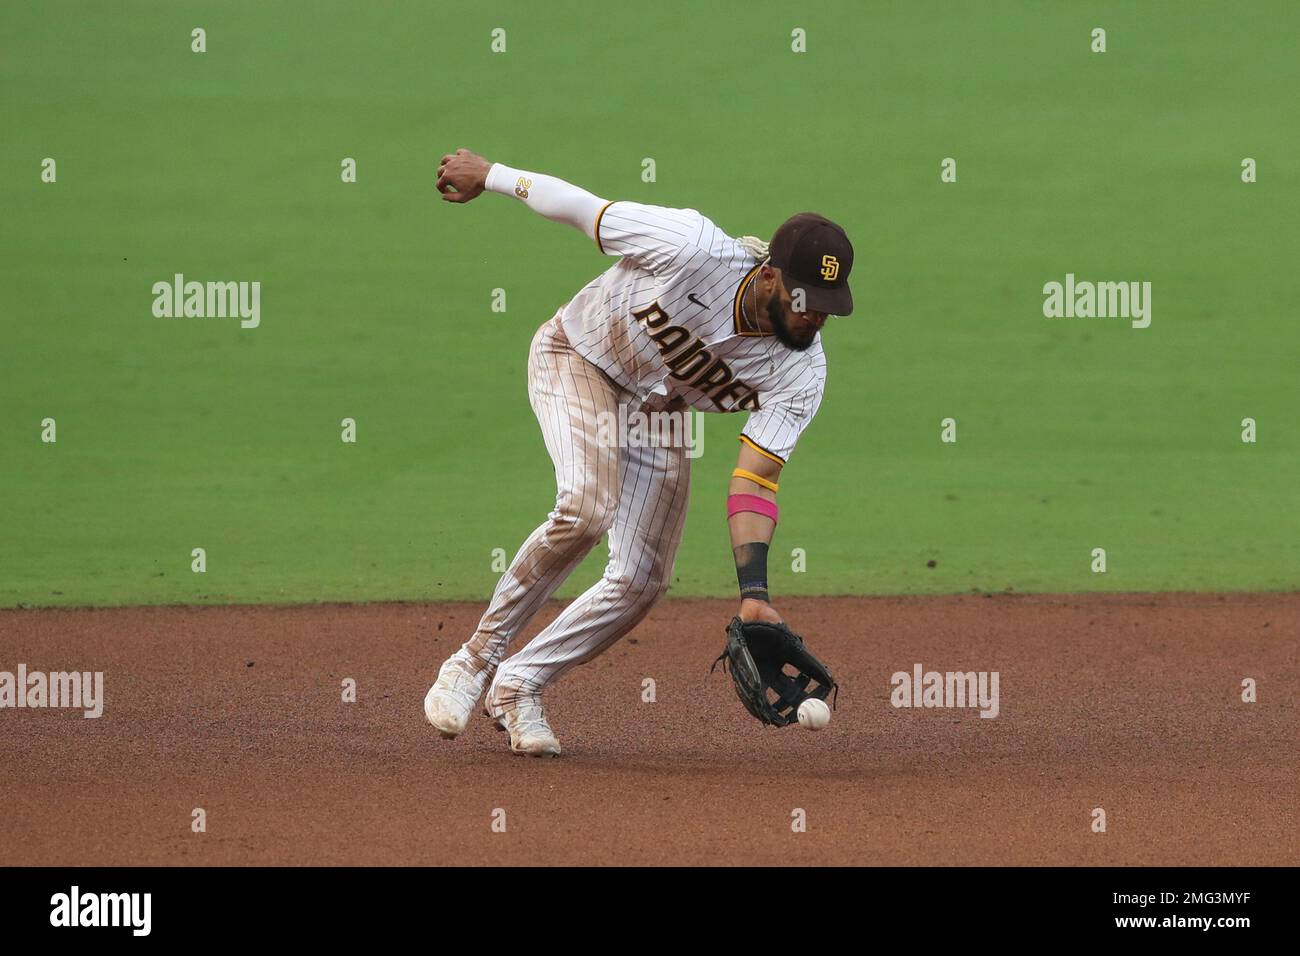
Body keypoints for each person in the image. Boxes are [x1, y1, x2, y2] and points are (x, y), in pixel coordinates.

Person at [424, 148, 855, 756]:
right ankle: (474, 662)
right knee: (585, 507)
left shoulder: (801, 373)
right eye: (803, 300)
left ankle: (519, 684)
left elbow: (755, 481)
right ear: (767, 277)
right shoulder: (691, 247)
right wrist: (491, 176)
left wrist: (754, 594)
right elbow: (581, 210)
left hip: (657, 416)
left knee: (641, 578)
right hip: (579, 360)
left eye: (828, 308)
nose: (814, 320)